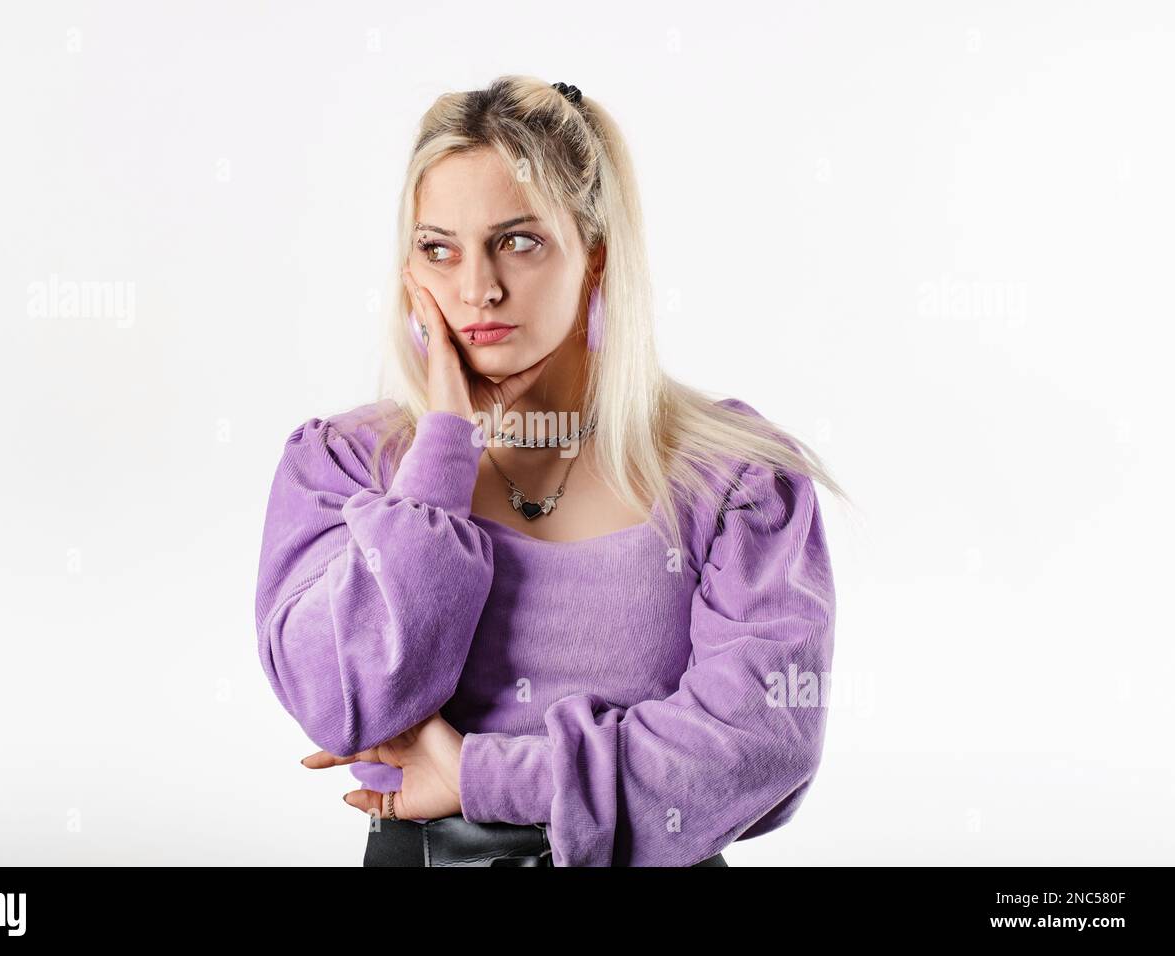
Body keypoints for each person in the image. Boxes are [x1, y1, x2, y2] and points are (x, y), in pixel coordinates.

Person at [254, 75, 846, 867]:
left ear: (595, 257)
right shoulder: (344, 464)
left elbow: (757, 748)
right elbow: (345, 702)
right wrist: (441, 452)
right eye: (439, 249)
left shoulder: (735, 477)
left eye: (519, 241)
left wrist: (478, 773)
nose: (476, 289)